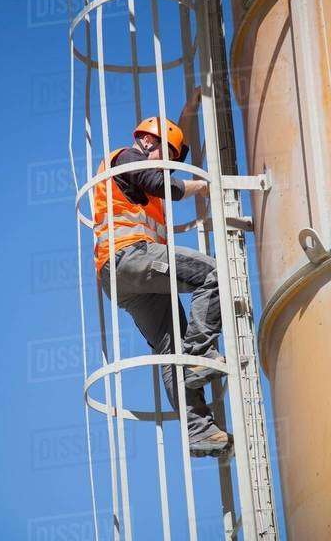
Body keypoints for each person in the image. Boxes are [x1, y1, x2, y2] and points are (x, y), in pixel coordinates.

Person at [93, 88, 233, 458]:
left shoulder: (144, 172)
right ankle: (201, 352)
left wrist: (188, 111)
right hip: (131, 258)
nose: (166, 163)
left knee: (172, 349)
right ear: (143, 140)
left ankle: (199, 431)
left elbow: (166, 160)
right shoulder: (127, 157)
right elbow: (164, 183)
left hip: (128, 278)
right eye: (163, 154)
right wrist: (203, 185)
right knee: (213, 274)